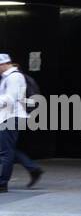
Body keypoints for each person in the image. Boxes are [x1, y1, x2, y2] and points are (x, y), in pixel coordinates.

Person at [0, 54, 41, 193]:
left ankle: (2, 183)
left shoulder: (14, 77)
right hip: (9, 116)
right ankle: (33, 168)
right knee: (7, 148)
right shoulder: (8, 77)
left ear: (3, 64)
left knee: (5, 151)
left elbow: (9, 99)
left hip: (11, 116)